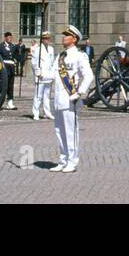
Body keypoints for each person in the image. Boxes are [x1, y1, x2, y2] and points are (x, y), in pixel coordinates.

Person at [50, 26, 94, 173]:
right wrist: (40, 73)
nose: (63, 37)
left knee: (71, 131)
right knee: (59, 131)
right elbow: (52, 74)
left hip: (70, 99)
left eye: (66, 35)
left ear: (74, 39)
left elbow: (88, 76)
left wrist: (79, 92)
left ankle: (72, 161)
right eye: (63, 35)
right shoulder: (60, 56)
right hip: (58, 99)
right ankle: (63, 160)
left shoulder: (80, 56)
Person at [31, 30, 56, 120]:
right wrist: (37, 70)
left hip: (48, 75)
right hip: (40, 75)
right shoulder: (38, 50)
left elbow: (52, 62)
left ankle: (47, 113)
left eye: (48, 38)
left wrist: (53, 73)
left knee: (47, 96)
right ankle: (36, 113)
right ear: (42, 40)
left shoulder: (51, 49)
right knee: (38, 95)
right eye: (45, 38)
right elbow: (34, 62)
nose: (47, 40)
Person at [0, 31, 18, 109]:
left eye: (11, 37)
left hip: (11, 68)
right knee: (1, 85)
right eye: (9, 37)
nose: (10, 39)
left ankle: (10, 102)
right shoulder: (1, 46)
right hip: (4, 67)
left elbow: (16, 56)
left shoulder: (13, 46)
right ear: (5, 38)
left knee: (10, 86)